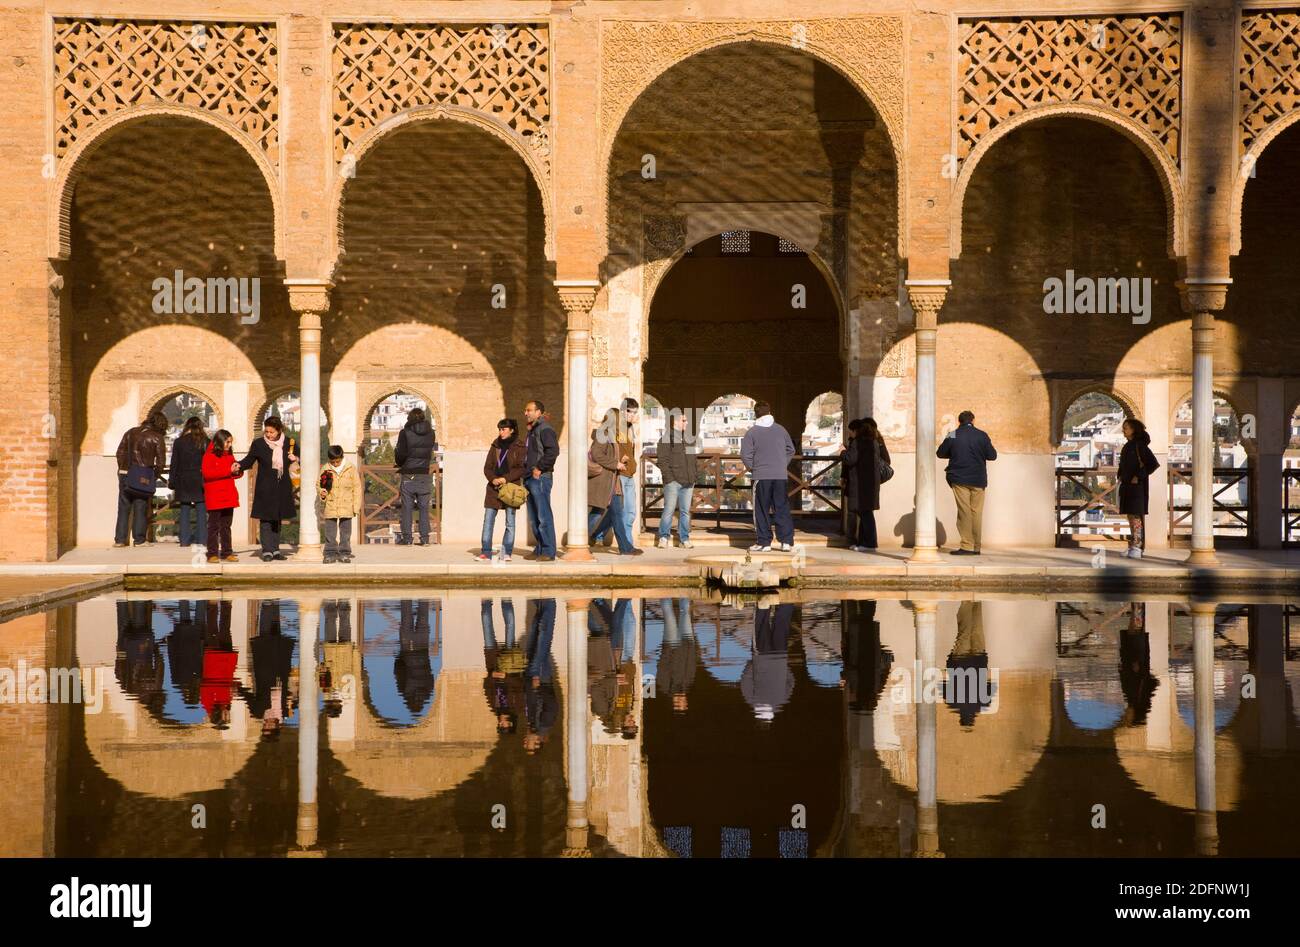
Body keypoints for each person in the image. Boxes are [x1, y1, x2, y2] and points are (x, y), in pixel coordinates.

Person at [236, 416, 297, 561]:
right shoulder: (258, 444)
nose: (268, 435)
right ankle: (267, 550)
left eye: (272, 432)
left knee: (277, 519)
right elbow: (249, 460)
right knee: (265, 520)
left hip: (282, 487)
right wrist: (238, 465)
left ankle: (275, 550)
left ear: (279, 430)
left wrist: (295, 458)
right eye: (267, 431)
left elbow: (301, 457)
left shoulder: (289, 443)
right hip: (265, 487)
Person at [936, 410, 998, 555]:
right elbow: (992, 456)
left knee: (964, 512)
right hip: (979, 480)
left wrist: (954, 452)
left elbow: (940, 453)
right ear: (973, 420)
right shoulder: (982, 435)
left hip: (959, 478)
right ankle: (976, 546)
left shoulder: (954, 434)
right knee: (976, 513)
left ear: (959, 421)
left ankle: (966, 546)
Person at [740, 401, 796, 552]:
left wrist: (754, 467)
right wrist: (781, 464)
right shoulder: (781, 430)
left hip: (761, 476)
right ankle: (786, 542)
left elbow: (745, 455)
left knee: (761, 509)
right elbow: (791, 449)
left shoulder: (752, 432)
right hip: (780, 476)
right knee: (782, 508)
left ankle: (764, 542)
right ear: (770, 412)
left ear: (756, 413)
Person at [587, 416, 642, 555]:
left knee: (616, 514)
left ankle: (625, 548)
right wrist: (615, 463)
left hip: (613, 482)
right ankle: (579, 539)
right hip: (604, 480)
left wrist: (619, 460)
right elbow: (596, 453)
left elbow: (607, 454)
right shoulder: (603, 434)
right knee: (596, 513)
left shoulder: (613, 435)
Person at [113, 411, 168, 547]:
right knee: (140, 506)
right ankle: (139, 539)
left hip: (125, 473)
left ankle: (120, 540)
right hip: (143, 476)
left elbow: (120, 452)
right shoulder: (157, 437)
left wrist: (123, 468)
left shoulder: (131, 432)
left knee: (123, 507)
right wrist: (153, 476)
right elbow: (161, 462)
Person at [479, 418, 528, 561]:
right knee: (488, 520)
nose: (501, 432)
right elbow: (487, 467)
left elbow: (521, 468)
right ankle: (486, 552)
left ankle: (506, 552)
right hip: (493, 488)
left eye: (504, 429)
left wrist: (505, 478)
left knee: (510, 522)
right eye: (500, 429)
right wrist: (492, 478)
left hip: (511, 489)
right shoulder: (495, 445)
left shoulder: (520, 446)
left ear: (511, 430)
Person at [843, 417, 890, 551]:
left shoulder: (859, 443)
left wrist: (843, 452)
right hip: (869, 484)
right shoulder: (874, 442)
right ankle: (863, 543)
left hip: (861, 484)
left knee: (865, 514)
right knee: (865, 513)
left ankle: (869, 544)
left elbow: (850, 459)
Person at [1117, 417, 1160, 559]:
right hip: (1127, 486)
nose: (1124, 430)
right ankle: (1133, 545)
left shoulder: (1140, 446)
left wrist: (1138, 476)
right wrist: (1120, 476)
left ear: (1134, 429)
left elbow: (1152, 464)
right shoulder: (1127, 446)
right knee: (1131, 515)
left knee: (1136, 516)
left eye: (1126, 427)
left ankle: (1138, 546)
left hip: (1137, 488)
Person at [522, 399, 559, 561]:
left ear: (538, 412)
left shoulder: (545, 429)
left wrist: (539, 468)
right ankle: (539, 548)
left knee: (544, 516)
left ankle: (549, 552)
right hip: (530, 477)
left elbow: (553, 451)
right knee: (534, 517)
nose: (526, 413)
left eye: (529, 410)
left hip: (540, 477)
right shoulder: (533, 429)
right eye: (526, 410)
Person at [655, 411, 698, 548]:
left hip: (688, 481)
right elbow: (662, 461)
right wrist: (669, 478)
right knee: (669, 509)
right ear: (675, 423)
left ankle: (684, 539)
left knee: (685, 511)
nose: (686, 423)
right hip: (673, 482)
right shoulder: (665, 439)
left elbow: (693, 460)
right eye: (684, 421)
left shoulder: (689, 439)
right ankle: (663, 537)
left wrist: (694, 476)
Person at [394, 407, 436, 545]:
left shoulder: (405, 433)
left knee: (407, 508)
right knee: (424, 508)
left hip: (409, 475)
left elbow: (401, 454)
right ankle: (425, 539)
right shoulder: (431, 433)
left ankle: (407, 539)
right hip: (424, 473)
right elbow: (429, 453)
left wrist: (400, 463)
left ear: (409, 418)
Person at [200, 429, 243, 563]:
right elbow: (208, 474)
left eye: (230, 442)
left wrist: (237, 469)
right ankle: (212, 553)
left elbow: (236, 474)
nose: (229, 445)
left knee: (226, 526)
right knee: (213, 527)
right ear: (220, 441)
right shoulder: (209, 456)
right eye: (227, 441)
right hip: (215, 496)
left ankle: (226, 552)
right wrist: (228, 470)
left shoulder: (229, 456)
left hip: (228, 495)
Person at [170, 416, 209, 548]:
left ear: (187, 426)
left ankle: (184, 541)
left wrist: (172, 480)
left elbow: (174, 463)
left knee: (184, 509)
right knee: (201, 509)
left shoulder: (179, 442)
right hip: (200, 478)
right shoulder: (206, 442)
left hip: (183, 478)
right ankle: (202, 540)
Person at [319, 445, 361, 564]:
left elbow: (357, 488)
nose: (336, 464)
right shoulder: (325, 469)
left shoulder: (351, 468)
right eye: (333, 462)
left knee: (345, 532)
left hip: (347, 505)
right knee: (330, 532)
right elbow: (319, 484)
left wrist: (356, 506)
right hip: (331, 505)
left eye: (338, 461)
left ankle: (344, 552)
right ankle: (330, 553)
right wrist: (322, 493)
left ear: (342, 457)